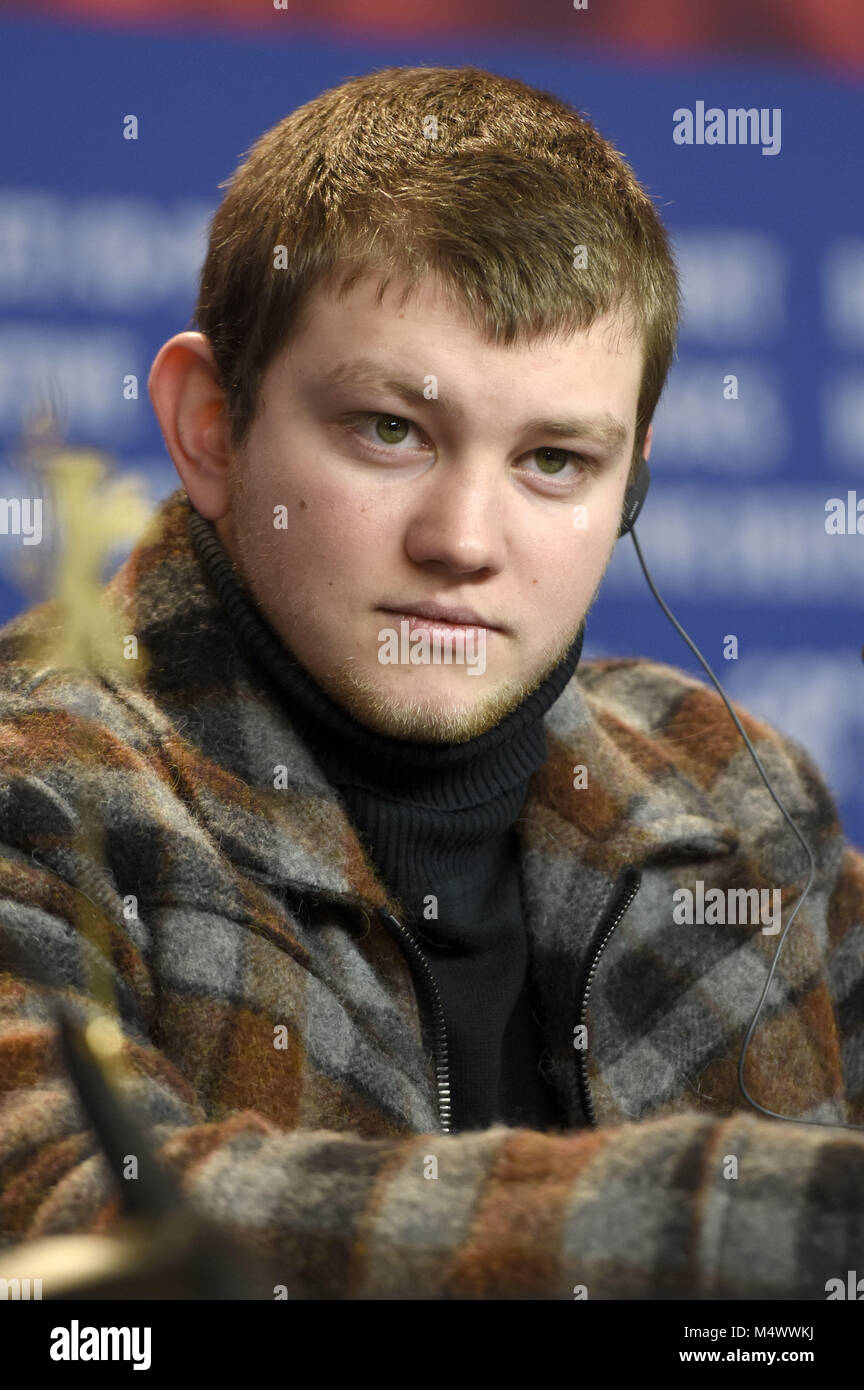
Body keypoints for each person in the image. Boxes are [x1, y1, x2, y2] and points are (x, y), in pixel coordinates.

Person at [0, 64, 862, 1301]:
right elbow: (81, 1236)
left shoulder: (745, 795)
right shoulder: (39, 787)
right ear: (208, 425)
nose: (465, 537)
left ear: (633, 486)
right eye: (390, 430)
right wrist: (779, 1225)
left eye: (555, 460)